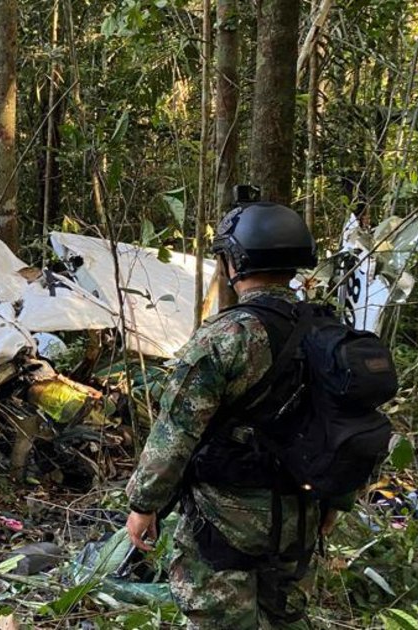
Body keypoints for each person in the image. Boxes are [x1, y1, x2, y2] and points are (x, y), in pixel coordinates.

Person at [124, 202, 351, 629]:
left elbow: (175, 432)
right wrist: (337, 500)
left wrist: (143, 504)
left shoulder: (228, 336)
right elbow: (349, 421)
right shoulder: (329, 332)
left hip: (226, 522)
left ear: (235, 262)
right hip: (301, 519)